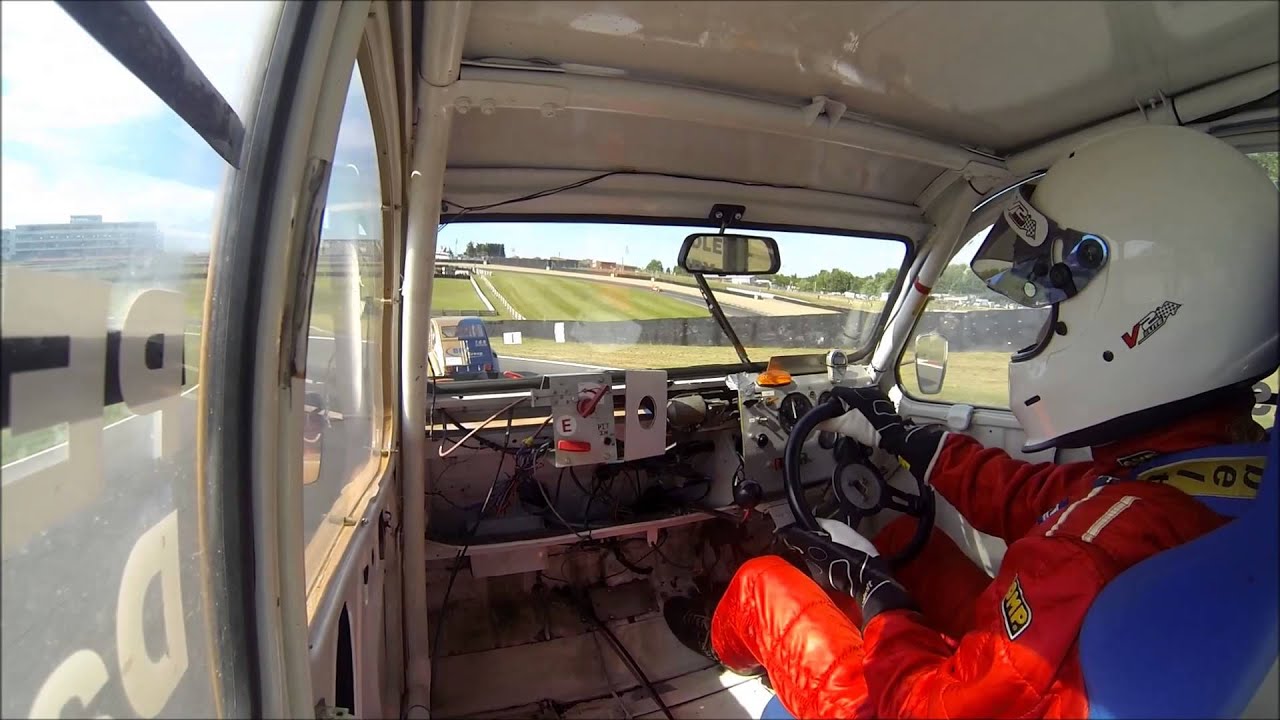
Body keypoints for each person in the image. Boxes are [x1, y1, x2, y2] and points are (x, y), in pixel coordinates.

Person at [663, 124, 1278, 719]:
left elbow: (923, 710)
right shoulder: (1198, 476)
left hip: (932, 705)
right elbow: (1029, 497)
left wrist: (876, 601)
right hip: (1046, 677)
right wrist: (904, 436)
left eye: (1053, 306)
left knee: (762, 582)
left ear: (1142, 318)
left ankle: (724, 645)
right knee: (902, 540)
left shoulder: (1085, 555)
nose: (1041, 329)